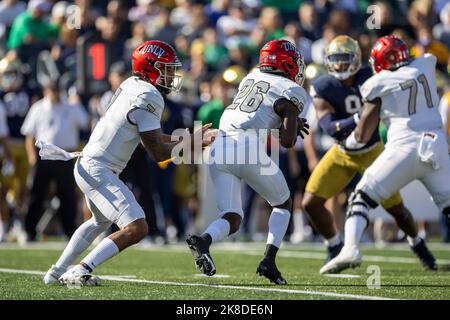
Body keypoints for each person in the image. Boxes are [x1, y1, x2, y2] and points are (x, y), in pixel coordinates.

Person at [42, 40, 215, 286]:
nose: (170, 75)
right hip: (99, 169)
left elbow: (151, 137)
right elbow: (156, 152)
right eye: (165, 69)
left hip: (89, 164)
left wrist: (187, 138)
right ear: (150, 68)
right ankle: (80, 269)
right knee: (137, 227)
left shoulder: (132, 84)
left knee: (98, 222)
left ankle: (54, 273)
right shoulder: (149, 95)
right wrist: (190, 144)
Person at [302, 35, 436, 272]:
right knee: (310, 202)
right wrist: (360, 116)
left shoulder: (373, 76)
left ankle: (417, 242)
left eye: (346, 59)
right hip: (342, 151)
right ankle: (334, 245)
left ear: (357, 59)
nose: (341, 65)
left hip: (374, 151)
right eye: (336, 59)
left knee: (397, 210)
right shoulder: (323, 86)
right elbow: (330, 128)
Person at [186, 39, 310, 285]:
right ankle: (269, 261)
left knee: (232, 216)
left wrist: (289, 120)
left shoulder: (250, 77)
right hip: (246, 148)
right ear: (285, 63)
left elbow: (263, 113)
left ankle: (204, 241)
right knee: (283, 202)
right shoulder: (292, 90)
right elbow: (286, 142)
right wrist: (292, 122)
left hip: (219, 146)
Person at [21, 80, 89, 241]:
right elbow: (29, 135)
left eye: (56, 90)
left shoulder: (70, 107)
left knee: (67, 195)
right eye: (51, 90)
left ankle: (69, 231)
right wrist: (32, 157)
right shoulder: (38, 108)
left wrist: (77, 104)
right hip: (44, 155)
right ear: (46, 91)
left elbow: (86, 123)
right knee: (36, 194)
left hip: (64, 156)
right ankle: (29, 231)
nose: (54, 93)